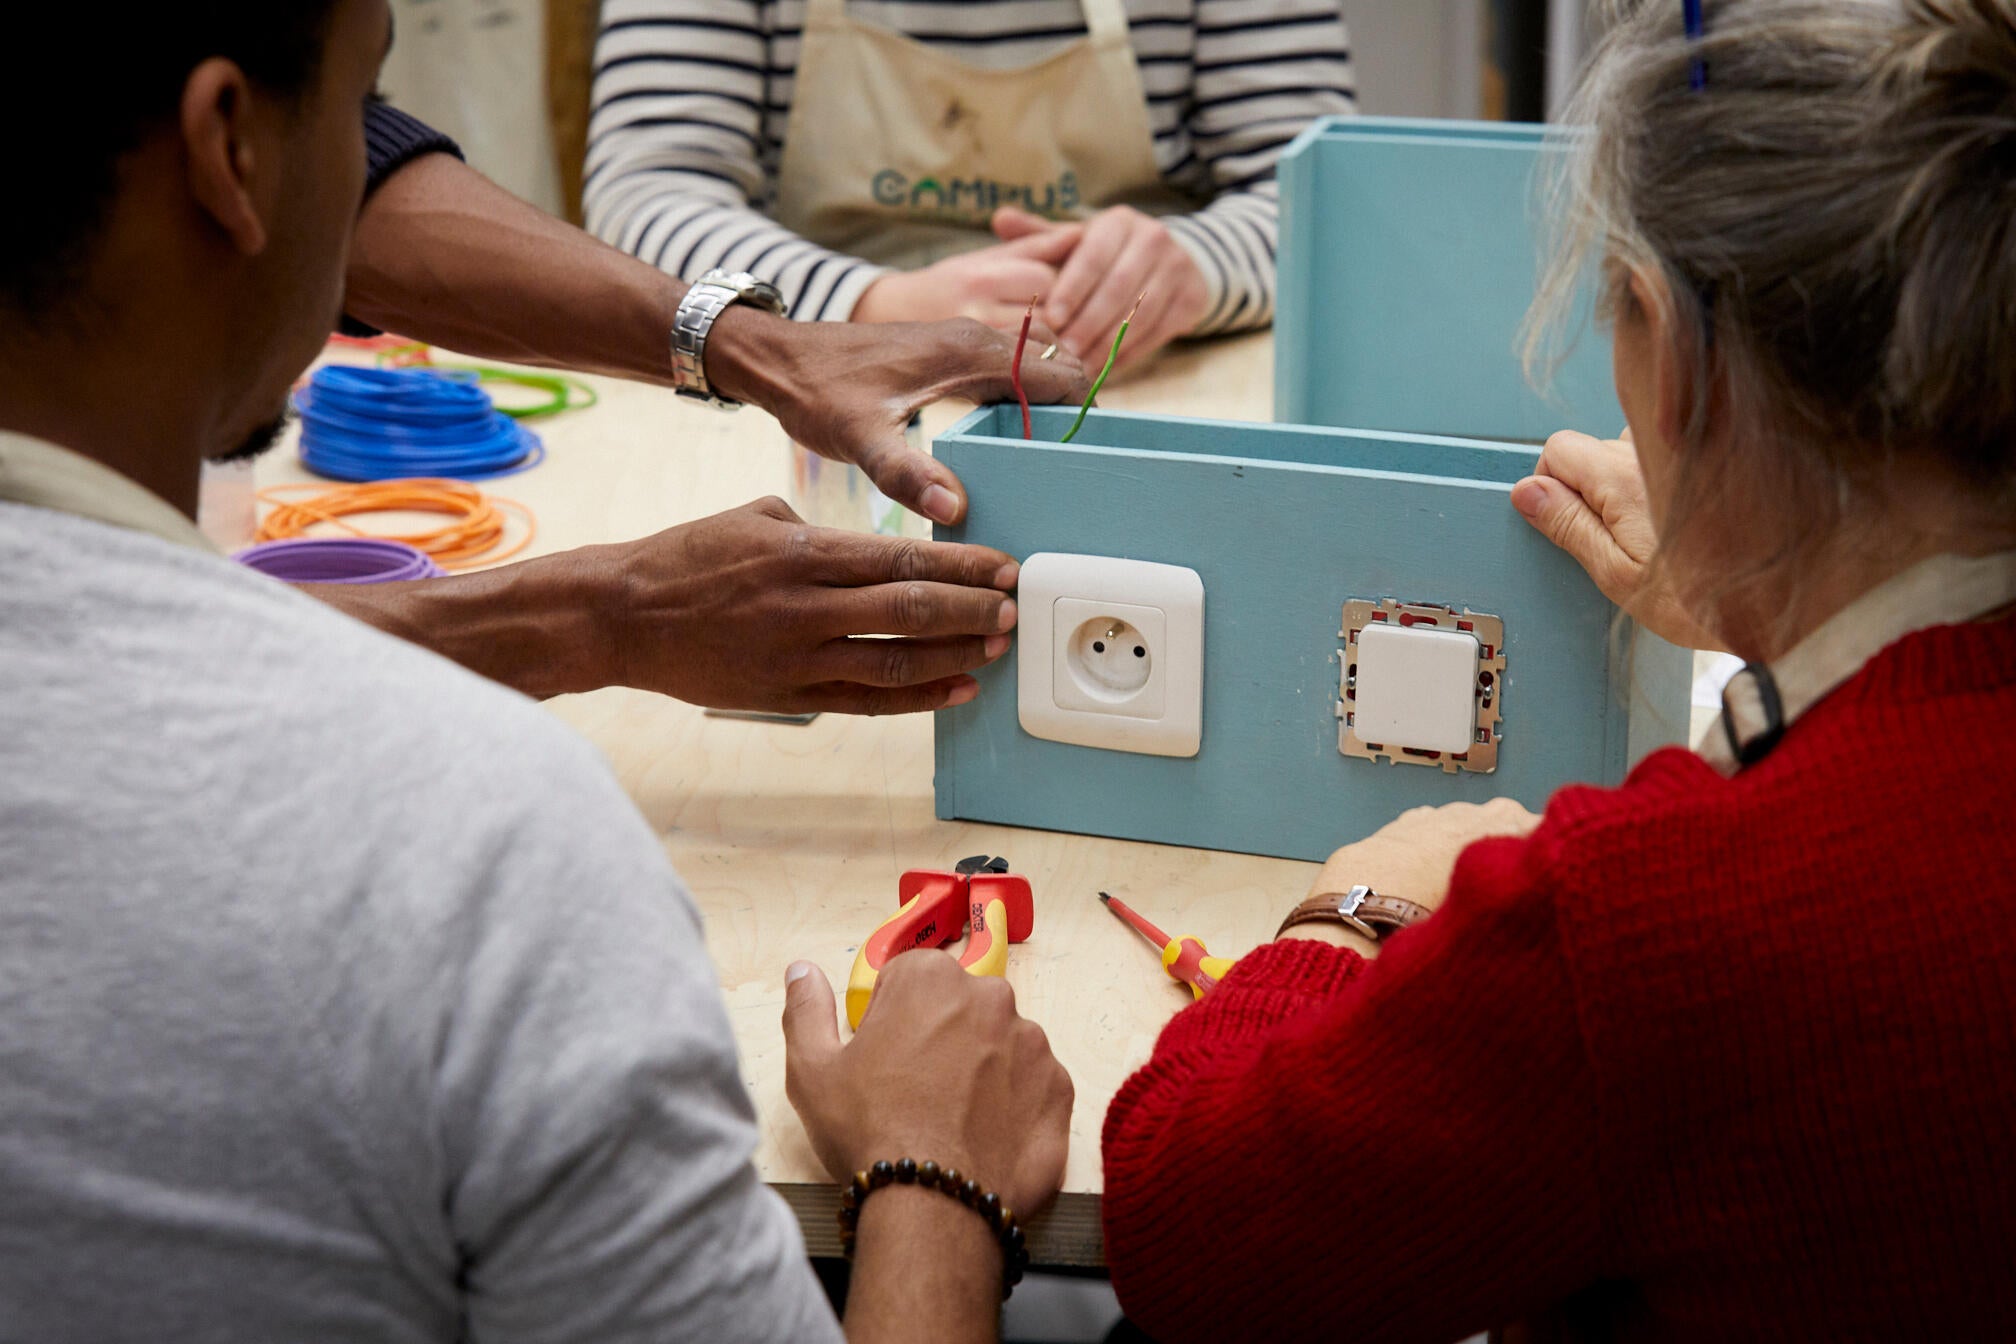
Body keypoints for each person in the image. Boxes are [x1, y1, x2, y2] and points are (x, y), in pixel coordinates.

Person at [0, 4, 1071, 1341]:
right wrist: (936, 1177)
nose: (370, 181)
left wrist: (714, 394)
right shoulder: (481, 849)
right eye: (360, 103)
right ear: (230, 150)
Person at [1101, 0, 2016, 1339]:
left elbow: (1185, 1232)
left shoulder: (1649, 917)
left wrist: (1358, 911)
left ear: (1677, 352)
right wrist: (1770, 595)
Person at [585, 0, 1356, 369]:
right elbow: (646, 196)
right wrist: (868, 310)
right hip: (801, 382)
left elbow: (1330, 201)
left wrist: (1195, 267)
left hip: (1142, 380)